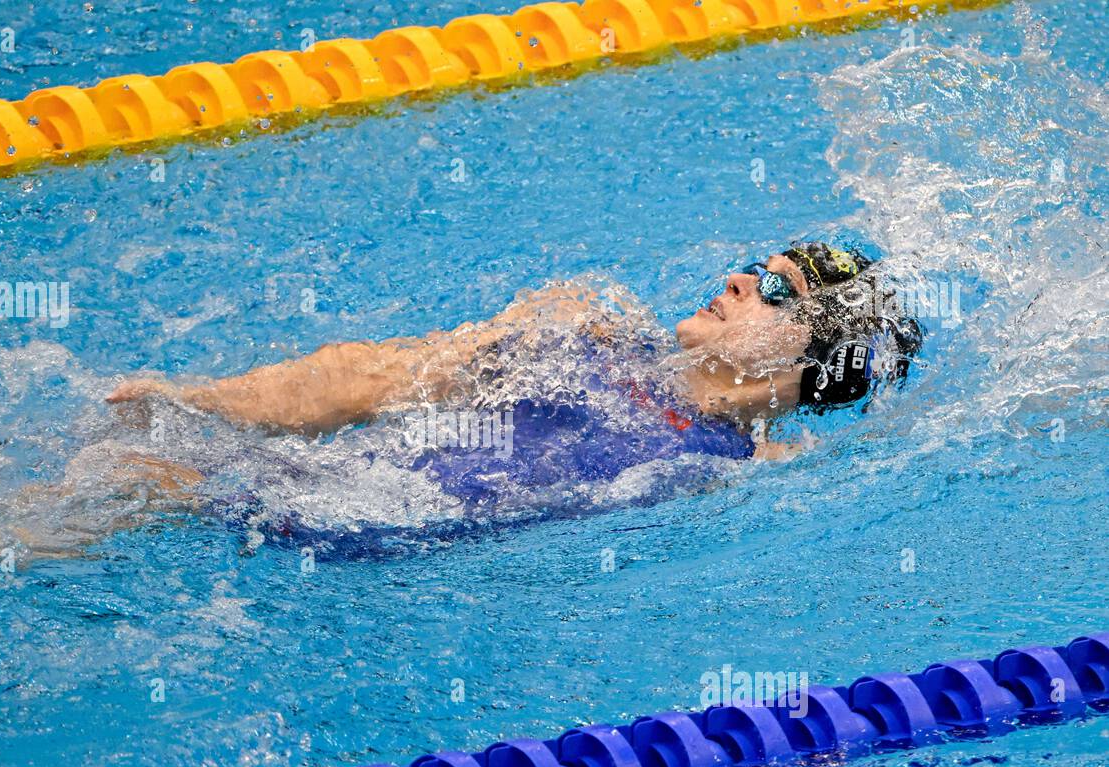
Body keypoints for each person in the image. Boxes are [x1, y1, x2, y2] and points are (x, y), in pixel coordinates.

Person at [101, 242, 923, 516]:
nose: (742, 280)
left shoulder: (751, 471)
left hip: (377, 562)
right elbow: (372, 379)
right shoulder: (586, 328)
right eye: (753, 266)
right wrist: (196, 401)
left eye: (778, 290)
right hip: (265, 491)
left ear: (807, 357)